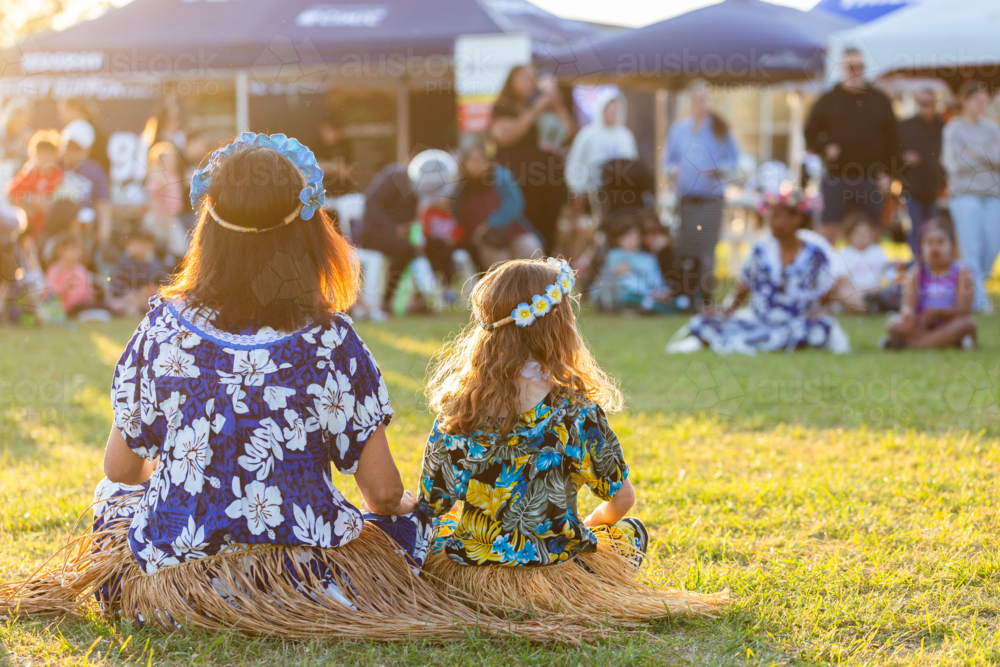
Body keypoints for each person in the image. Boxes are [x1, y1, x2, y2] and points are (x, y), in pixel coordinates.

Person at [418, 257, 724, 621]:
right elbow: (621, 499)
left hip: (472, 570)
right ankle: (592, 573)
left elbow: (431, 505)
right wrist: (587, 532)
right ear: (558, 326)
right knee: (628, 531)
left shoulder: (460, 410)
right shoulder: (577, 410)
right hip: (555, 568)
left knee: (449, 529)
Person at [668, 187, 850, 355]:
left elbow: (828, 293)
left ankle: (764, 341)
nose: (770, 221)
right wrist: (722, 312)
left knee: (821, 326)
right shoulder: (760, 250)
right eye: (769, 216)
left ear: (796, 219)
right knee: (704, 322)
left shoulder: (816, 252)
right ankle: (720, 339)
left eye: (777, 216)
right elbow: (741, 291)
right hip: (759, 320)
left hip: (797, 321)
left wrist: (824, 309)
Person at [804, 49, 899, 245]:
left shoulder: (880, 100)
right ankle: (830, 273)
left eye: (860, 67)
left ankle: (867, 274)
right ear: (842, 69)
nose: (856, 72)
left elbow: (894, 139)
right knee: (830, 231)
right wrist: (824, 147)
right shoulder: (828, 100)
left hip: (870, 177)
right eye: (851, 67)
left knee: (871, 230)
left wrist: (889, 174)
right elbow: (809, 133)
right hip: (836, 177)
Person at [662, 80, 740, 305]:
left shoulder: (719, 128)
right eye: (696, 99)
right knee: (687, 243)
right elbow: (668, 161)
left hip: (711, 197)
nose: (700, 103)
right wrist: (672, 171)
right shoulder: (679, 129)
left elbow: (734, 160)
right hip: (686, 196)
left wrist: (718, 170)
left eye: (704, 98)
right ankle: (686, 292)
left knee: (707, 246)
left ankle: (705, 294)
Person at [489, 65, 574, 252]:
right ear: (511, 82)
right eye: (524, 78)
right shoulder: (504, 107)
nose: (529, 82)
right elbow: (505, 135)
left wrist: (557, 104)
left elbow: (568, 133)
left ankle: (545, 278)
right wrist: (533, 110)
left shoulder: (546, 105)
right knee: (525, 237)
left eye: (532, 78)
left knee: (547, 236)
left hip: (549, 183)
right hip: (519, 185)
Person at [942, 81, 1000, 313]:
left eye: (984, 100)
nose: (981, 104)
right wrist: (988, 155)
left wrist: (976, 152)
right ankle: (978, 302)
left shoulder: (992, 129)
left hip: (993, 195)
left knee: (992, 246)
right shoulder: (954, 129)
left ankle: (973, 290)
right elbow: (955, 164)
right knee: (971, 248)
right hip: (965, 196)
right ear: (964, 101)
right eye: (977, 99)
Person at [882, 217, 976, 349]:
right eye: (929, 243)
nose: (935, 247)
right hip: (922, 323)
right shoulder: (916, 273)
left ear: (952, 246)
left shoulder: (961, 272)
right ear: (921, 248)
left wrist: (938, 313)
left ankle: (913, 344)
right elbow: (908, 305)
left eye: (941, 242)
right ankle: (941, 342)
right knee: (893, 324)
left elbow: (964, 309)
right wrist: (909, 315)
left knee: (967, 323)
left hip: (950, 322)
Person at [453, 144, 543, 270]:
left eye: (481, 159)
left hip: (512, 229)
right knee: (500, 269)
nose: (477, 163)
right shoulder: (460, 186)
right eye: (472, 160)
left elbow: (514, 204)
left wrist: (490, 224)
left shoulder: (501, 177)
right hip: (486, 240)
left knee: (531, 251)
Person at [565, 91, 638, 207]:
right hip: (594, 194)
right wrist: (577, 189)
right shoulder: (587, 135)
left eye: (615, 109)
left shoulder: (625, 136)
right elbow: (575, 163)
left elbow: (633, 164)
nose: (612, 113)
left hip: (622, 194)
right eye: (609, 109)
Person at [595, 211, 676, 314]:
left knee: (667, 296)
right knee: (627, 294)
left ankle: (651, 305)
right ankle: (652, 306)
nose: (632, 239)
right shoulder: (615, 255)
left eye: (635, 236)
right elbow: (619, 275)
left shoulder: (649, 258)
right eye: (628, 236)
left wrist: (659, 292)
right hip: (626, 294)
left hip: (649, 292)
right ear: (619, 239)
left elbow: (656, 281)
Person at [898, 89, 945, 253]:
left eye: (930, 104)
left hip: (934, 189)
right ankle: (916, 267)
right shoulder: (906, 126)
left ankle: (932, 267)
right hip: (912, 189)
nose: (926, 108)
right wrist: (904, 157)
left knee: (934, 231)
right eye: (922, 104)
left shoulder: (942, 127)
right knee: (915, 230)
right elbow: (894, 153)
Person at [53, 119, 111, 247]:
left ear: (87, 150)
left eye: (76, 149)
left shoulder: (95, 171)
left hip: (84, 226)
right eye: (68, 146)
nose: (70, 152)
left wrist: (104, 232)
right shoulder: (50, 165)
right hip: (55, 223)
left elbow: (103, 204)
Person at [5, 131, 63, 239]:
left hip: (52, 226)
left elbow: (60, 200)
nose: (44, 158)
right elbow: (10, 194)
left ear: (56, 155)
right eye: (40, 153)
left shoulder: (58, 174)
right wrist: (27, 204)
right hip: (31, 227)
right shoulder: (30, 173)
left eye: (48, 153)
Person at [829, 212, 890, 312]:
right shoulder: (844, 253)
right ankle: (868, 307)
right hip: (853, 291)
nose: (863, 236)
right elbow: (842, 279)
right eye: (858, 233)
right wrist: (859, 291)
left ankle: (859, 307)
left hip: (874, 291)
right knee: (842, 292)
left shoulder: (878, 252)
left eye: (866, 233)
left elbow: (887, 276)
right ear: (850, 235)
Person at [143, 141, 188, 259]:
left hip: (171, 217)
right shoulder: (157, 175)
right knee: (152, 246)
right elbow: (153, 199)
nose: (173, 162)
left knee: (181, 247)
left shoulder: (173, 175)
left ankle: (175, 265)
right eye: (170, 159)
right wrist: (161, 217)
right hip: (158, 216)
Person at [109, 230, 168, 317]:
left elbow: (164, 286)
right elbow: (117, 287)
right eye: (139, 243)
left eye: (145, 244)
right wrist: (132, 294)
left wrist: (151, 291)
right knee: (131, 309)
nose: (142, 247)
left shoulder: (156, 265)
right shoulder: (122, 263)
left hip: (149, 299)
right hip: (128, 299)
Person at [44, 234, 100, 316]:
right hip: (66, 308)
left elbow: (87, 290)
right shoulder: (56, 270)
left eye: (78, 250)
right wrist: (66, 286)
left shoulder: (80, 269)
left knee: (99, 306)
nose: (77, 253)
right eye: (73, 249)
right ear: (61, 251)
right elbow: (50, 294)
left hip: (83, 305)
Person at [58, 98, 110, 176]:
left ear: (74, 109)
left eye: (62, 112)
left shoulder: (94, 131)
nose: (60, 116)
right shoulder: (70, 129)